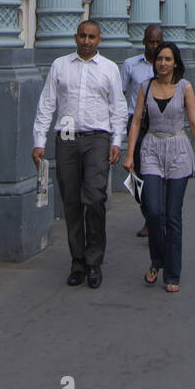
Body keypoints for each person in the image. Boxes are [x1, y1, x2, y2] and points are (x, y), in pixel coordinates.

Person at [32, 18, 127, 289]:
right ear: (76, 37)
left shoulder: (109, 69)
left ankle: (94, 260)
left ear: (99, 40)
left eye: (92, 37)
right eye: (83, 36)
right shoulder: (60, 65)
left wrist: (116, 141)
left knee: (95, 197)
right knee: (71, 200)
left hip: (97, 138)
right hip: (66, 139)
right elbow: (46, 103)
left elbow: (117, 107)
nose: (87, 41)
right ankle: (78, 262)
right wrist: (39, 141)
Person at [123, 41, 195, 291]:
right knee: (153, 210)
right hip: (151, 149)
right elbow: (137, 123)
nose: (163, 63)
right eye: (160, 58)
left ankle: (172, 274)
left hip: (178, 151)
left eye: (168, 59)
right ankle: (156, 260)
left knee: (172, 216)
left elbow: (194, 124)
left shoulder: (185, 87)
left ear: (175, 63)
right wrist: (130, 155)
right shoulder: (145, 87)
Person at [121, 24, 163, 236]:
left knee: (157, 169)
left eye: (157, 42)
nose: (154, 46)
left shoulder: (166, 65)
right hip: (135, 121)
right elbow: (120, 94)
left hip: (159, 123)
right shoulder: (130, 65)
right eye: (150, 41)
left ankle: (156, 216)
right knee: (138, 171)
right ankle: (147, 214)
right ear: (144, 42)